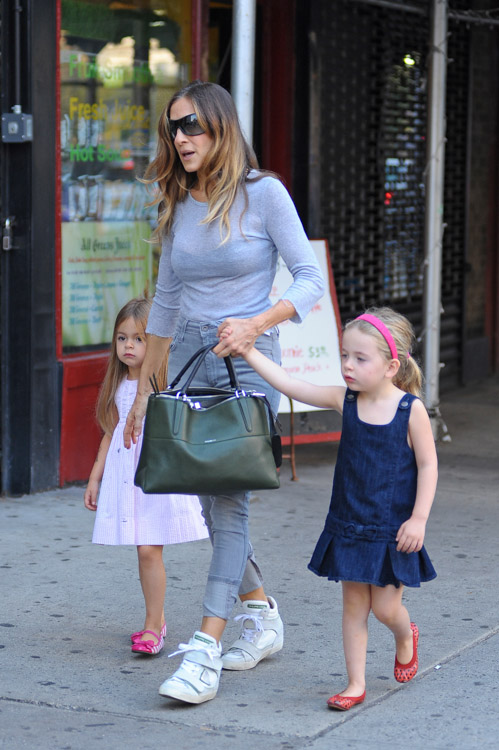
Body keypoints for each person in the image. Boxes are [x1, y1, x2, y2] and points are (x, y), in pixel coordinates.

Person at [123, 80, 325, 704]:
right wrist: (144, 389)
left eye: (190, 127)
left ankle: (205, 649)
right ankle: (260, 614)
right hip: (186, 361)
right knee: (210, 506)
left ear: (220, 127)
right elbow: (166, 298)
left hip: (246, 363)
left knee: (230, 504)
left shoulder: (264, 195)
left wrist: (258, 324)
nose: (179, 138)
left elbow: (310, 279)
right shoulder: (179, 200)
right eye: (173, 129)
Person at [237, 307, 438, 710]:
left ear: (390, 365)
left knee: (385, 608)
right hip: (349, 522)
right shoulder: (344, 400)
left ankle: (404, 635)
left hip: (391, 528)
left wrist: (418, 519)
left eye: (360, 358)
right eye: (344, 355)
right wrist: (248, 353)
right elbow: (291, 384)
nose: (347, 365)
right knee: (353, 606)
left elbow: (428, 464)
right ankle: (355, 683)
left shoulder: (409, 410)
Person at [84, 297, 208, 656]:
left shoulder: (165, 382)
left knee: (150, 548)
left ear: (155, 343)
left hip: (158, 474)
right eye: (122, 338)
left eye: (138, 339)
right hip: (127, 478)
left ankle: (154, 625)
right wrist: (95, 478)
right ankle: (155, 618)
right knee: (143, 550)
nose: (128, 346)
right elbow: (111, 431)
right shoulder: (119, 383)